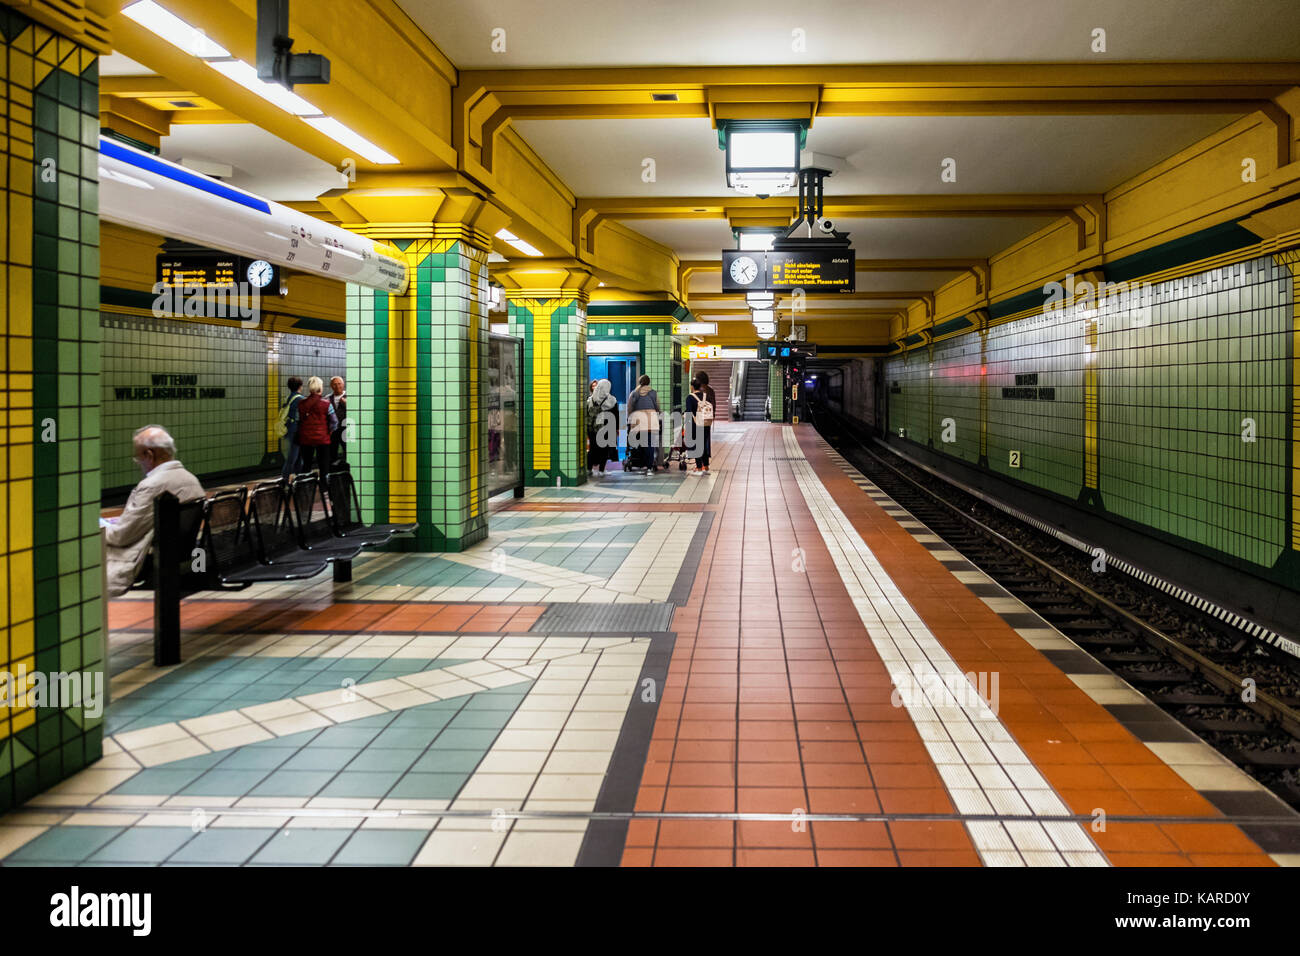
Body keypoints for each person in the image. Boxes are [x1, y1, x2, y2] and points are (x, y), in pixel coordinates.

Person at [103, 426, 205, 597]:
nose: (138, 463)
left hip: (150, 558)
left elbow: (122, 536)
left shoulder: (152, 485)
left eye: (138, 457)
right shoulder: (191, 479)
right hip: (180, 553)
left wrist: (100, 528)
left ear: (149, 455)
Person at [296, 376, 338, 475]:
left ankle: (306, 488)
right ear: (320, 387)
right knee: (324, 466)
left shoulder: (301, 403)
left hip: (306, 439)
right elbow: (334, 422)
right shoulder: (327, 404)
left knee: (306, 465)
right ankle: (324, 489)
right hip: (322, 439)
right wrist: (329, 432)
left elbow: (298, 420)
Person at [626, 373, 661, 472]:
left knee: (640, 442)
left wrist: (629, 418)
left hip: (638, 420)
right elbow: (657, 406)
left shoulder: (634, 393)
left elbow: (630, 407)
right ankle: (649, 466)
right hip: (652, 419)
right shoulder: (653, 393)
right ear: (648, 382)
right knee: (650, 443)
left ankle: (641, 464)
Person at [586, 378, 618, 477]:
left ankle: (589, 469)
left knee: (592, 449)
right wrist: (616, 429)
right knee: (604, 450)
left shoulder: (591, 399)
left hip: (591, 428)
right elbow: (615, 415)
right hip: (605, 428)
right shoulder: (611, 400)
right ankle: (601, 470)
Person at [685, 375, 715, 475]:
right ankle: (706, 467)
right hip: (706, 423)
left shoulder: (690, 397)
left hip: (696, 423)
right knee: (704, 444)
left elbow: (689, 412)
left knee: (698, 445)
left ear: (692, 387)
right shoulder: (706, 396)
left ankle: (698, 468)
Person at [277, 376, 304, 478]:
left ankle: (299, 479)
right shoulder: (300, 399)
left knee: (298, 457)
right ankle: (284, 479)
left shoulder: (289, 397)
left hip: (290, 429)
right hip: (296, 431)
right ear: (300, 386)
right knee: (292, 457)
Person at [328, 376, 347, 467]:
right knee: (332, 452)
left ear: (343, 384)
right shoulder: (327, 398)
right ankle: (333, 474)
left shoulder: (350, 396)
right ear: (331, 386)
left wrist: (346, 403)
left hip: (346, 430)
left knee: (347, 451)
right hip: (333, 431)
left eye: (339, 383)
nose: (337, 386)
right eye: (334, 384)